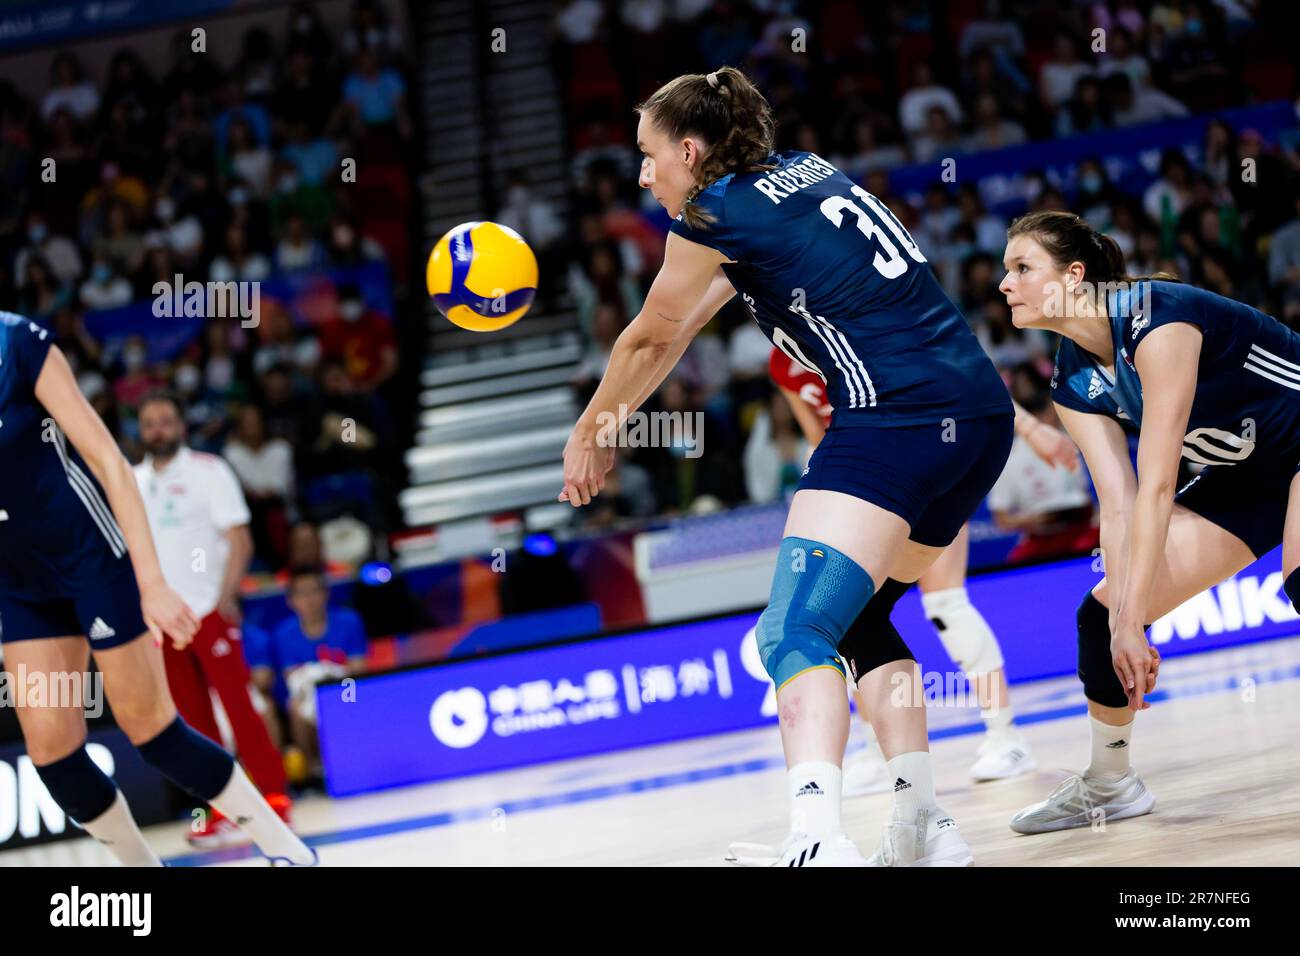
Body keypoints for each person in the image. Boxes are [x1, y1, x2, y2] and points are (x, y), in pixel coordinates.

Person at [559, 67, 1016, 866]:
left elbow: (646, 335)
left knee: (793, 629)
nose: (641, 173)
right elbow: (684, 326)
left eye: (648, 154)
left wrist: (594, 428)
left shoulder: (711, 210)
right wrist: (623, 411)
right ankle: (920, 828)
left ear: (691, 151)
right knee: (861, 619)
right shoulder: (800, 173)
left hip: (894, 416)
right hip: (977, 413)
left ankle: (817, 838)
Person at [997, 211, 1300, 833]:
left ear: (1073, 275)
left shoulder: (1157, 317)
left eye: (1022, 268)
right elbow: (1119, 504)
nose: (1005, 283)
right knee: (1098, 614)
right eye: (1007, 270)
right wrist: (1123, 620)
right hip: (1243, 480)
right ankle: (1111, 784)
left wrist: (1136, 618)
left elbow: (1159, 481)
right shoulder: (1072, 379)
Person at [0, 311, 314, 866]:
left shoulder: (16, 341)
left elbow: (110, 463)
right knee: (52, 751)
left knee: (150, 727)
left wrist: (151, 583)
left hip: (88, 557)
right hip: (17, 584)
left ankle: (285, 849)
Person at [767, 347, 1084, 792]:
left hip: (922, 464)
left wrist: (1030, 429)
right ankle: (879, 751)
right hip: (857, 487)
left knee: (946, 605)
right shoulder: (780, 362)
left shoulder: (845, 317)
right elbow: (817, 438)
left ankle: (1006, 737)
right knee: (848, 623)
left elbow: (955, 364)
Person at [134, 391, 294, 849]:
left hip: (207, 611)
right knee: (189, 724)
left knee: (239, 707)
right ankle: (217, 810)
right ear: (141, 432)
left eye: (166, 420)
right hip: (162, 622)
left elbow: (239, 539)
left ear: (181, 426)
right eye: (150, 423)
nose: (158, 429)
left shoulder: (209, 470)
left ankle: (273, 794)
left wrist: (224, 600)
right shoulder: (131, 480)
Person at [245, 567, 368, 780]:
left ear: (326, 593)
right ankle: (314, 772)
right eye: (302, 593)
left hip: (346, 688)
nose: (309, 600)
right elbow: (291, 677)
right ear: (291, 600)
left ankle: (357, 761)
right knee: (297, 706)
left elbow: (358, 668)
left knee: (348, 699)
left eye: (314, 591)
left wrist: (332, 677)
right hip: (308, 690)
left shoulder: (349, 622)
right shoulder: (284, 633)